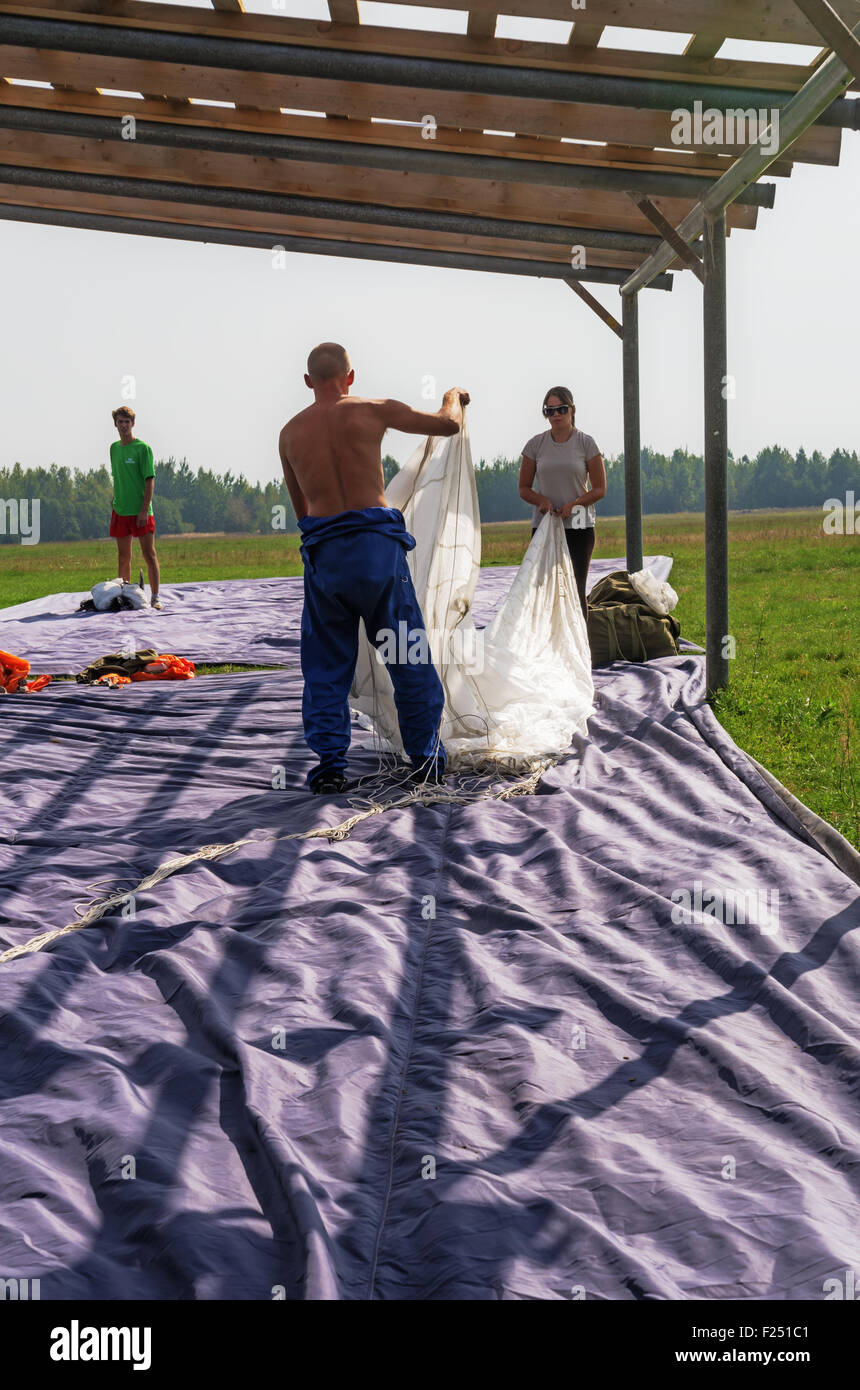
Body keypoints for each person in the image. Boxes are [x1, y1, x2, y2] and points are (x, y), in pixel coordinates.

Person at [279, 342, 468, 795]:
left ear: (308, 382)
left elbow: (301, 510)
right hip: (376, 553)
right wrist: (454, 395)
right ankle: (424, 758)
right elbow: (446, 426)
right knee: (407, 655)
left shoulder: (289, 434)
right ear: (351, 376)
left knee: (326, 664)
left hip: (327, 555)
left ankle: (329, 764)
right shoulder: (373, 409)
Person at [518, 386, 606, 617]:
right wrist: (541, 501)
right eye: (550, 410)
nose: (556, 415)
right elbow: (524, 488)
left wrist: (574, 505)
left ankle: (581, 648)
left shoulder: (586, 443)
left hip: (578, 524)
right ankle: (546, 646)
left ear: (572, 410)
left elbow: (600, 489)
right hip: (545, 524)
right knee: (544, 591)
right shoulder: (535, 445)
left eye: (561, 409)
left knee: (575, 590)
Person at [109, 406, 162, 609]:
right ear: (115, 424)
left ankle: (155, 597)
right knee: (124, 557)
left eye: (127, 422)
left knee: (149, 554)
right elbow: (119, 478)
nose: (123, 425)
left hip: (141, 512)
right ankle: (126, 596)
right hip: (120, 511)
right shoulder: (114, 448)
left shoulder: (143, 448)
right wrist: (115, 500)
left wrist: (143, 509)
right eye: (120, 422)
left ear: (132, 424)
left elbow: (149, 481)